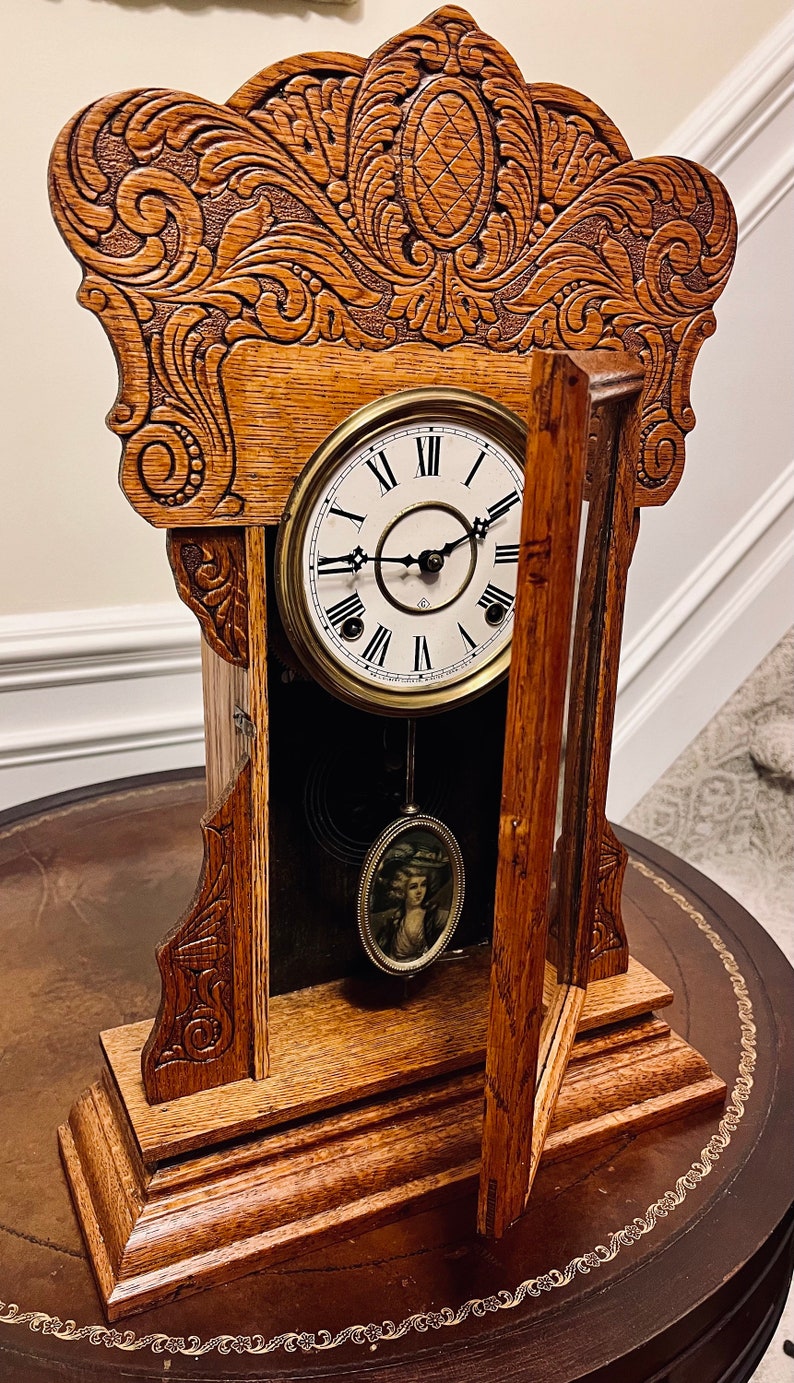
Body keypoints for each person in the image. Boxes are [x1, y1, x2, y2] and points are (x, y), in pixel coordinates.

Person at [374, 863, 449, 962]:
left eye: (423, 885)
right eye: (413, 887)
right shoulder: (394, 920)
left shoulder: (432, 915)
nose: (419, 891)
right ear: (402, 891)